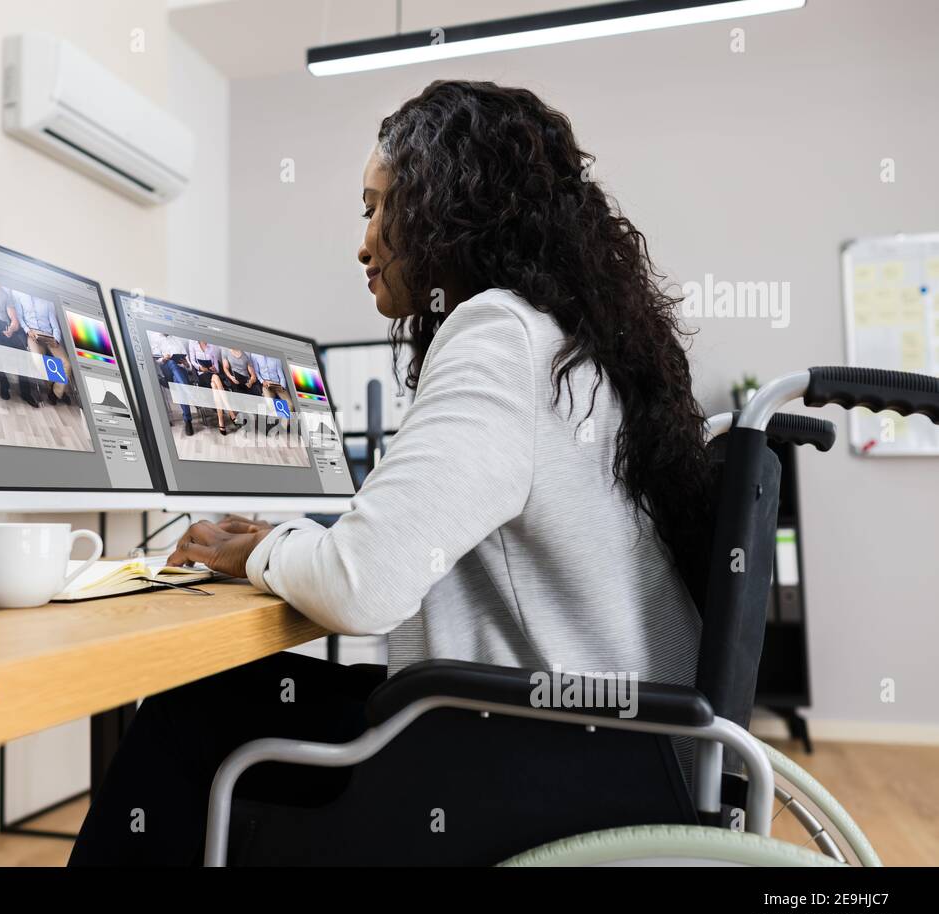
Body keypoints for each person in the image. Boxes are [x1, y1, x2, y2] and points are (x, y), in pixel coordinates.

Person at [69, 81, 710, 866]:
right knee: (215, 700)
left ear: (450, 207)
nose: (364, 242)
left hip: (549, 769)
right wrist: (290, 542)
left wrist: (259, 552)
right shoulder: (570, 342)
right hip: (615, 752)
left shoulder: (499, 333)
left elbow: (360, 587)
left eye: (379, 208)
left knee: (188, 715)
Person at [13, 291, 74, 409]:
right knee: (39, 362)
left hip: (50, 336)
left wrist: (56, 339)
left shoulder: (47, 301)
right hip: (33, 335)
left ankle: (55, 393)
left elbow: (55, 324)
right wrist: (27, 330)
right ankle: (55, 389)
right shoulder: (20, 296)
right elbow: (20, 317)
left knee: (66, 364)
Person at [187, 339, 239, 435]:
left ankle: (221, 422)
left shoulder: (211, 345)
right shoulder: (192, 342)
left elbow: (216, 365)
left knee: (214, 386)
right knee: (215, 381)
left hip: (213, 375)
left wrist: (214, 368)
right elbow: (193, 361)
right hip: (201, 375)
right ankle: (231, 414)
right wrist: (201, 368)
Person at [153, 332, 194, 436]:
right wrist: (164, 359)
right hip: (167, 370)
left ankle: (187, 421)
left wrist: (186, 363)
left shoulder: (176, 339)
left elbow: (188, 365)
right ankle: (189, 390)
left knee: (179, 386)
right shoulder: (156, 339)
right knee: (171, 363)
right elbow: (156, 360)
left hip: (180, 372)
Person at [251, 352, 291, 436]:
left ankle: (281, 428)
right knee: (270, 403)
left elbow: (281, 375)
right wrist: (262, 381)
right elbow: (257, 372)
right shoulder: (255, 355)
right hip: (266, 385)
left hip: (278, 384)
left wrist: (282, 386)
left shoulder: (276, 357)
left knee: (290, 405)